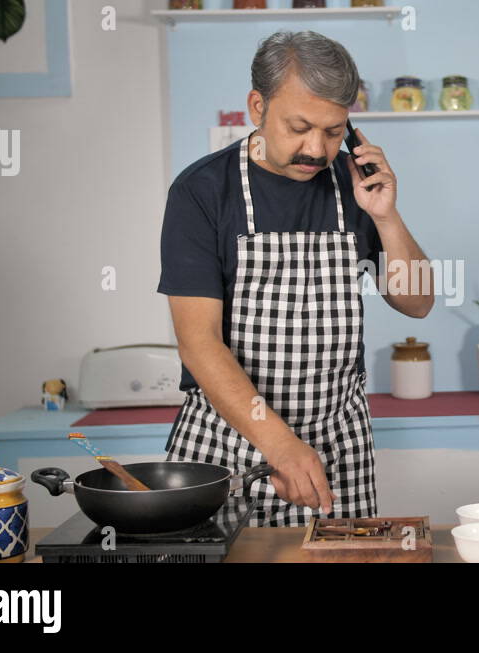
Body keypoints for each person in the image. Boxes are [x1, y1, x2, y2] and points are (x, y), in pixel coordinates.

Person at [157, 30, 434, 531]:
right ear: (257, 105)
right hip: (225, 442)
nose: (316, 148)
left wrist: (387, 217)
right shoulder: (201, 192)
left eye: (334, 131)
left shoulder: (355, 186)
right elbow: (198, 345)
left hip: (335, 449)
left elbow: (417, 302)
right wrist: (281, 445)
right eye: (300, 127)